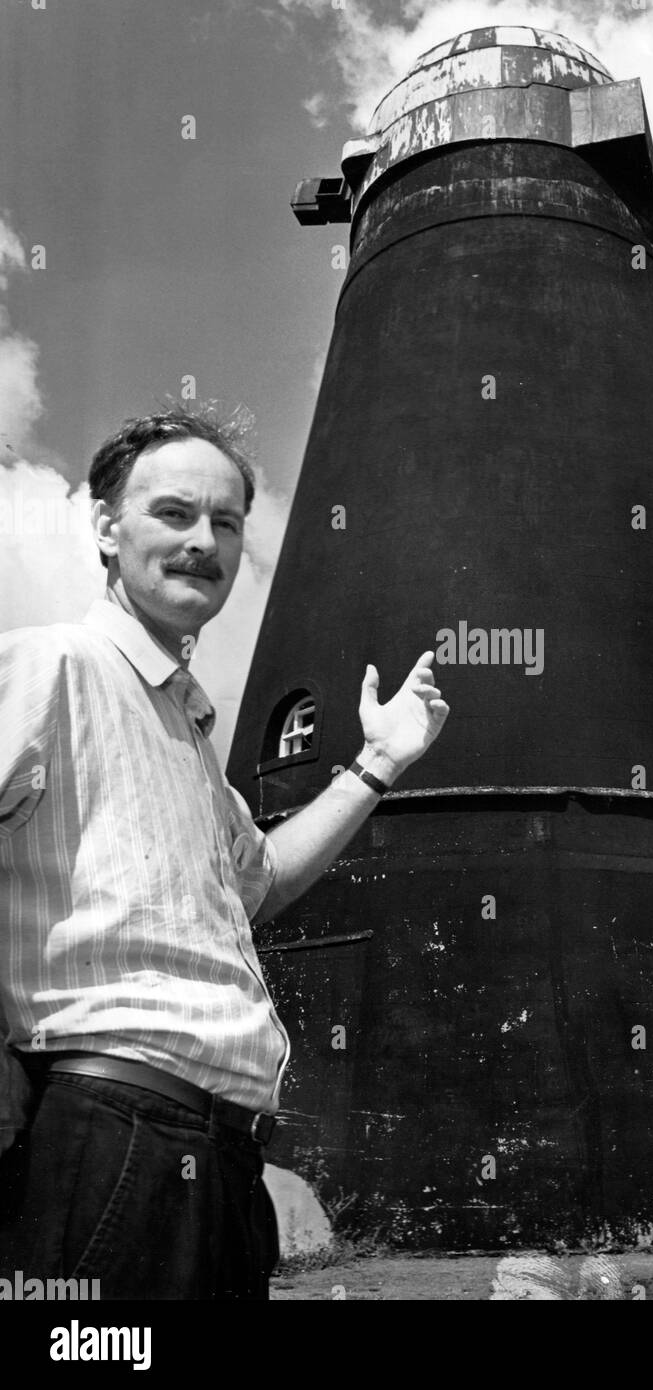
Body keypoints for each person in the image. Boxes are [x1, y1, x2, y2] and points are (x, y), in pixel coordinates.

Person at [0, 407, 449, 1299]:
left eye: (227, 522)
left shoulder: (192, 736)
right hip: (107, 1130)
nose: (203, 541)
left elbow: (260, 882)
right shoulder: (49, 666)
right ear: (104, 525)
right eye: (173, 513)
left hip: (219, 1158)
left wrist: (380, 764)